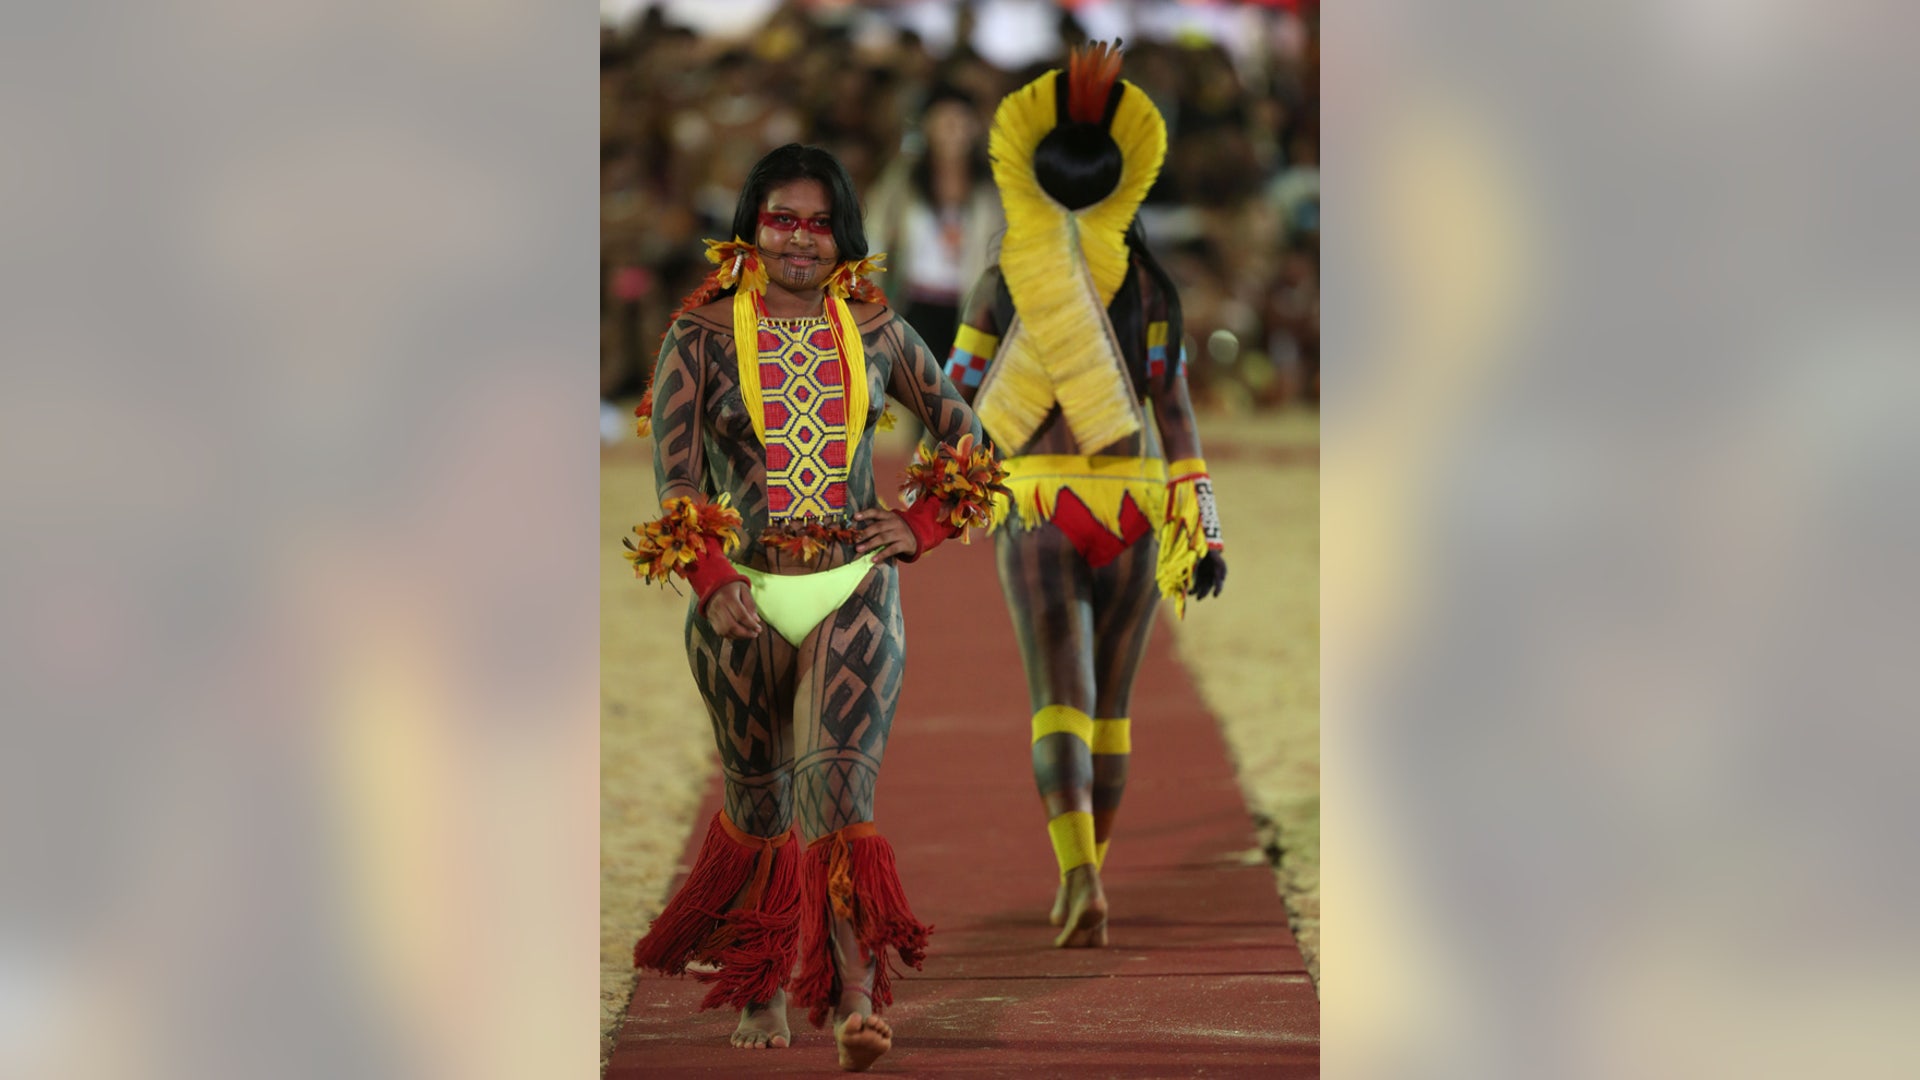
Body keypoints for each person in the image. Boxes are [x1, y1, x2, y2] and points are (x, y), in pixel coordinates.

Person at [624, 143, 1004, 1071]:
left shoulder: (879, 329)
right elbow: (675, 480)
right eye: (782, 219)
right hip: (741, 596)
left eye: (820, 222)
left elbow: (971, 445)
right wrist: (710, 581)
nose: (800, 239)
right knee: (758, 798)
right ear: (751, 224)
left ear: (847, 234)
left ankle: (856, 999)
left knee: (837, 792)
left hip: (852, 586)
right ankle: (757, 980)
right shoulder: (700, 333)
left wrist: (919, 524)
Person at [944, 43, 1229, 948]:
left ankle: (1076, 874)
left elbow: (956, 398)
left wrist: (931, 496)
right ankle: (1095, 870)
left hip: (1038, 503)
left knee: (1057, 696)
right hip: (1138, 504)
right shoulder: (1147, 285)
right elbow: (1177, 418)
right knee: (1113, 707)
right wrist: (1208, 533)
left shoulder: (1002, 282)